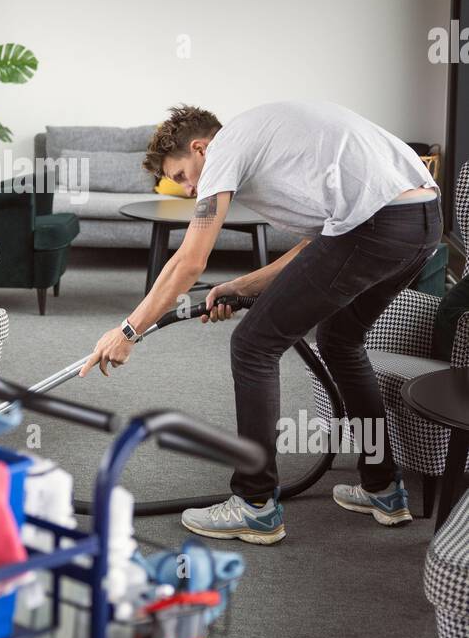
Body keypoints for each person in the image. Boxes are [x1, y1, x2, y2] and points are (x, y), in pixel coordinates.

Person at [81, 100, 441, 544]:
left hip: (378, 225)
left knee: (253, 346)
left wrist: (128, 330)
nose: (189, 189)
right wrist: (245, 285)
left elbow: (190, 260)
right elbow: (326, 243)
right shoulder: (268, 140)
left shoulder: (226, 147)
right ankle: (383, 488)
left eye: (181, 176)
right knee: (341, 340)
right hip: (422, 221)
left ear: (199, 148)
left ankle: (255, 505)